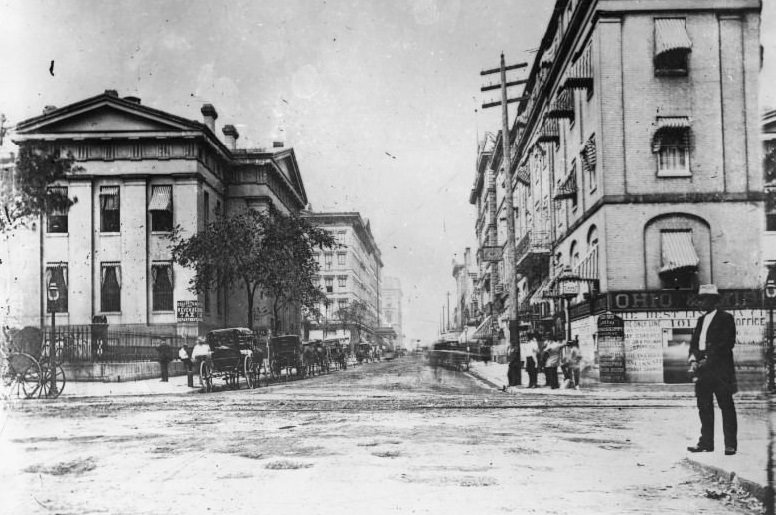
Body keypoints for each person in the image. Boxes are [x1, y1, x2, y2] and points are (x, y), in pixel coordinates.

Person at [686, 284, 738, 456]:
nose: (701, 303)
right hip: (702, 371)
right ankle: (706, 443)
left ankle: (730, 445)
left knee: (726, 406)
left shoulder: (726, 318)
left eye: (704, 300)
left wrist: (708, 359)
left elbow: (727, 343)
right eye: (700, 299)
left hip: (720, 370)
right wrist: (693, 360)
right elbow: (694, 344)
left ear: (713, 301)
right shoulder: (701, 321)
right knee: (704, 406)